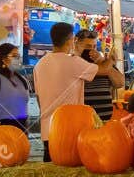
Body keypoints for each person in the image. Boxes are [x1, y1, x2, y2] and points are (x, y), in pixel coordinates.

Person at [35, 22, 110, 161]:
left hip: (47, 131)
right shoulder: (73, 61)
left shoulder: (39, 64)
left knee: (51, 173)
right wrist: (110, 59)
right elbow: (104, 70)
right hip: (70, 130)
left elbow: (38, 99)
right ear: (70, 40)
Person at [77, 30, 123, 122]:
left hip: (105, 121)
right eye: (87, 47)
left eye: (94, 46)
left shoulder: (104, 63)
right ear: (77, 45)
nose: (92, 50)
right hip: (83, 120)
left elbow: (119, 83)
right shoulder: (75, 63)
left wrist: (102, 61)